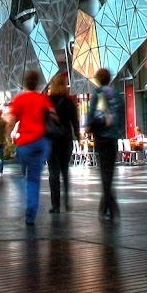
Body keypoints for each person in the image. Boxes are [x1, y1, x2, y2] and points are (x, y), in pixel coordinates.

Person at [6, 69, 53, 225]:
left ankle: (20, 186)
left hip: (25, 143)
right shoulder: (43, 99)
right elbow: (54, 117)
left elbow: (11, 121)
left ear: (25, 83)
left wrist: (8, 138)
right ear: (37, 83)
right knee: (35, 179)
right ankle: (31, 213)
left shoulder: (19, 99)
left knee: (25, 178)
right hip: (41, 143)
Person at [88, 68, 122, 221]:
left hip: (101, 135)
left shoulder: (98, 93)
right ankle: (107, 205)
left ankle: (109, 204)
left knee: (104, 171)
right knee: (110, 170)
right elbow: (121, 115)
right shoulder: (116, 94)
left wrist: (89, 126)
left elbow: (92, 114)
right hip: (113, 137)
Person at [45, 73, 80, 213]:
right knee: (65, 170)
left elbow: (43, 121)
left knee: (53, 172)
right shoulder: (69, 102)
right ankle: (66, 201)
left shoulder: (47, 101)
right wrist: (77, 135)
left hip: (51, 140)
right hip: (66, 139)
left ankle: (55, 204)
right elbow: (75, 122)